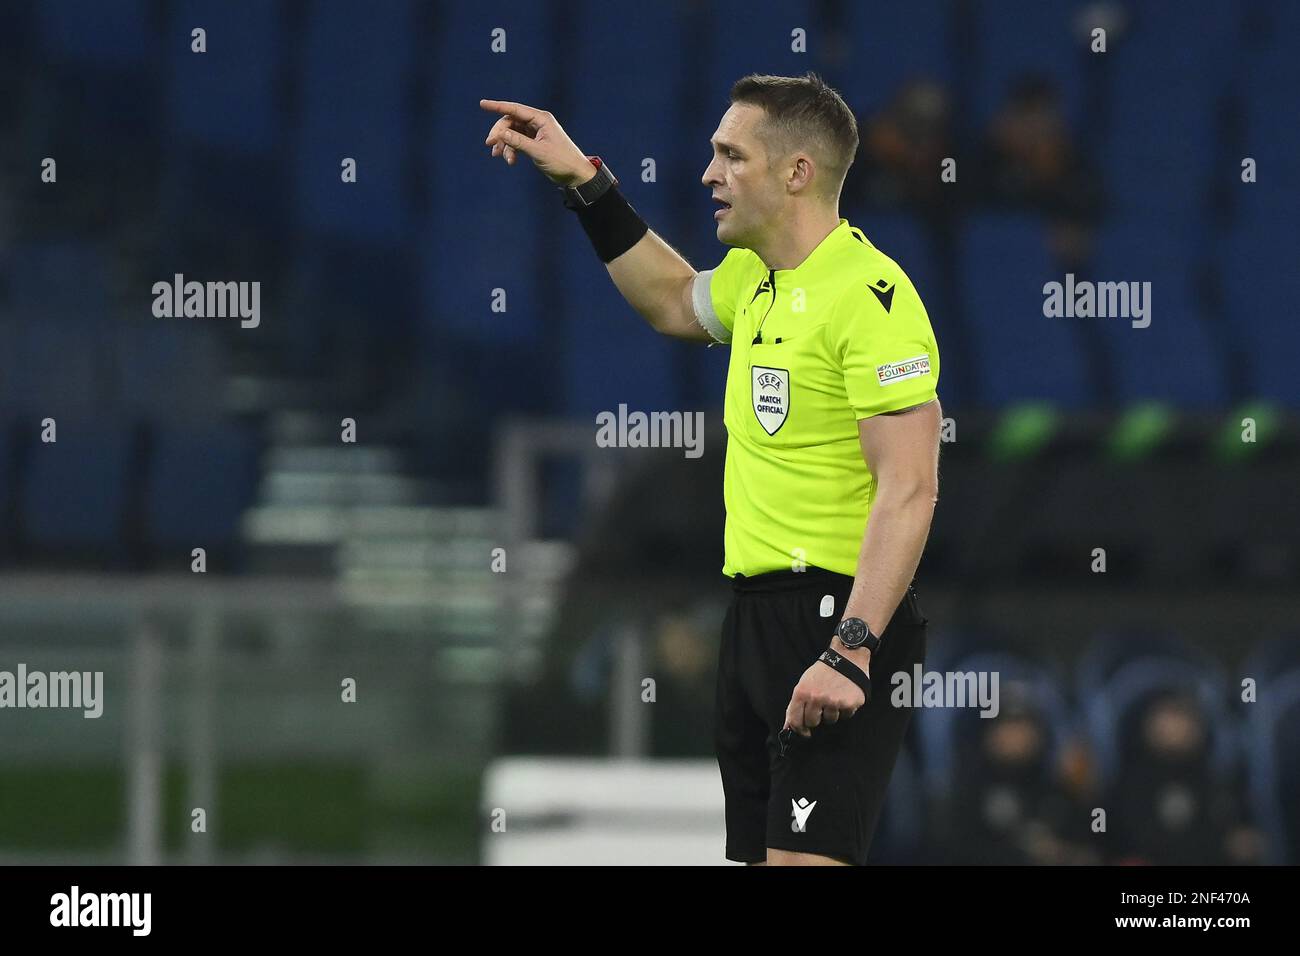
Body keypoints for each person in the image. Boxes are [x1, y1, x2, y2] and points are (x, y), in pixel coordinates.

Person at [481, 71, 942, 866]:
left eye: (732, 156)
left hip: (837, 614)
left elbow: (911, 487)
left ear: (796, 172)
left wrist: (852, 647)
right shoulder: (755, 280)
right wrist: (585, 184)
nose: (709, 175)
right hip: (755, 615)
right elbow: (669, 299)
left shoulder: (872, 298)